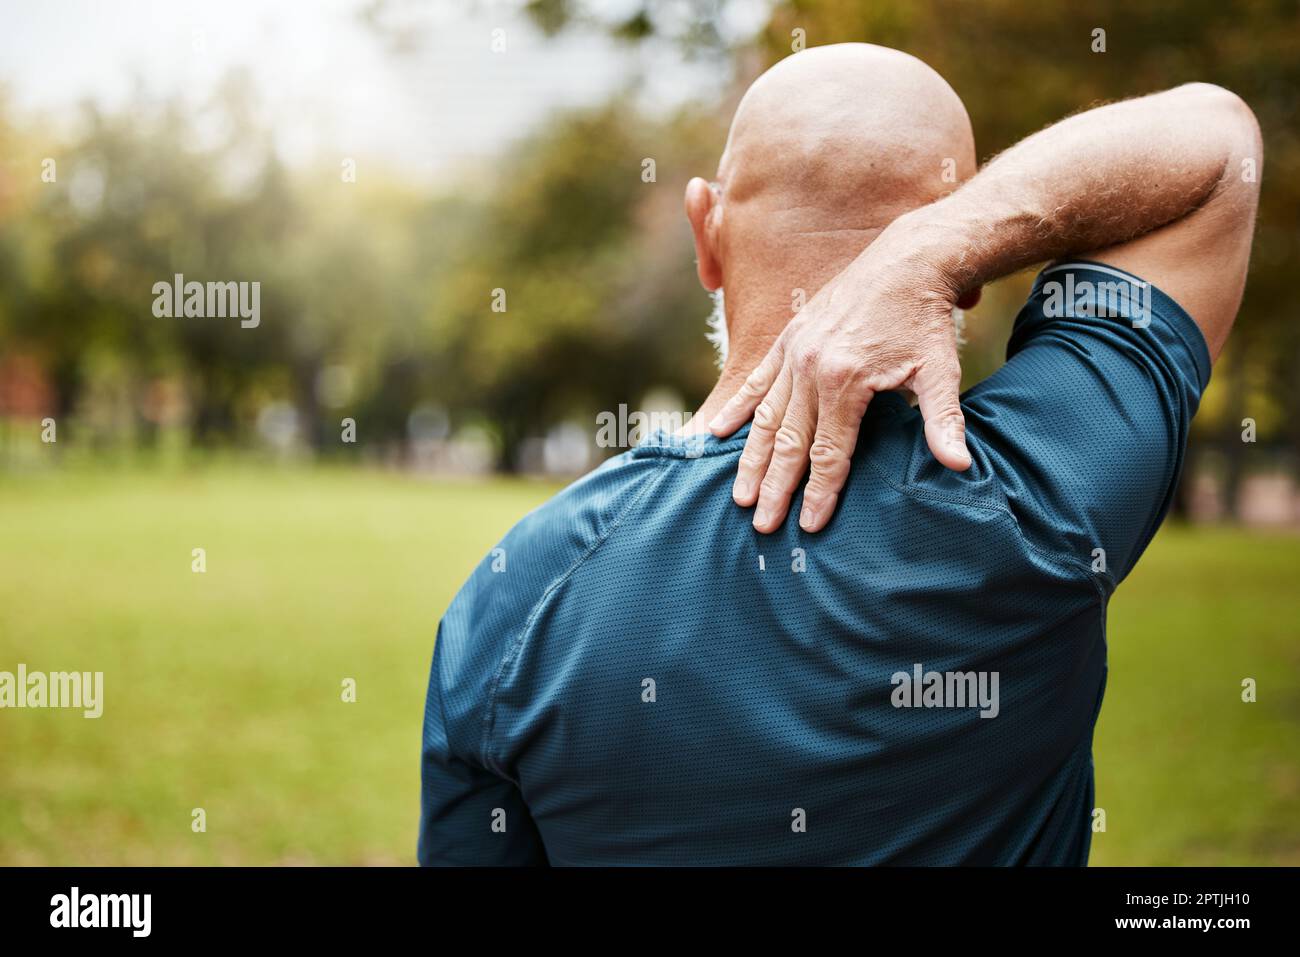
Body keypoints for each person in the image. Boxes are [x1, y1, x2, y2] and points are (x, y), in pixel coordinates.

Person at [419, 43, 1260, 865]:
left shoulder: (514, 597)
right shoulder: (1040, 499)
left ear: (704, 234)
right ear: (972, 272)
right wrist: (935, 244)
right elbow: (1220, 148)